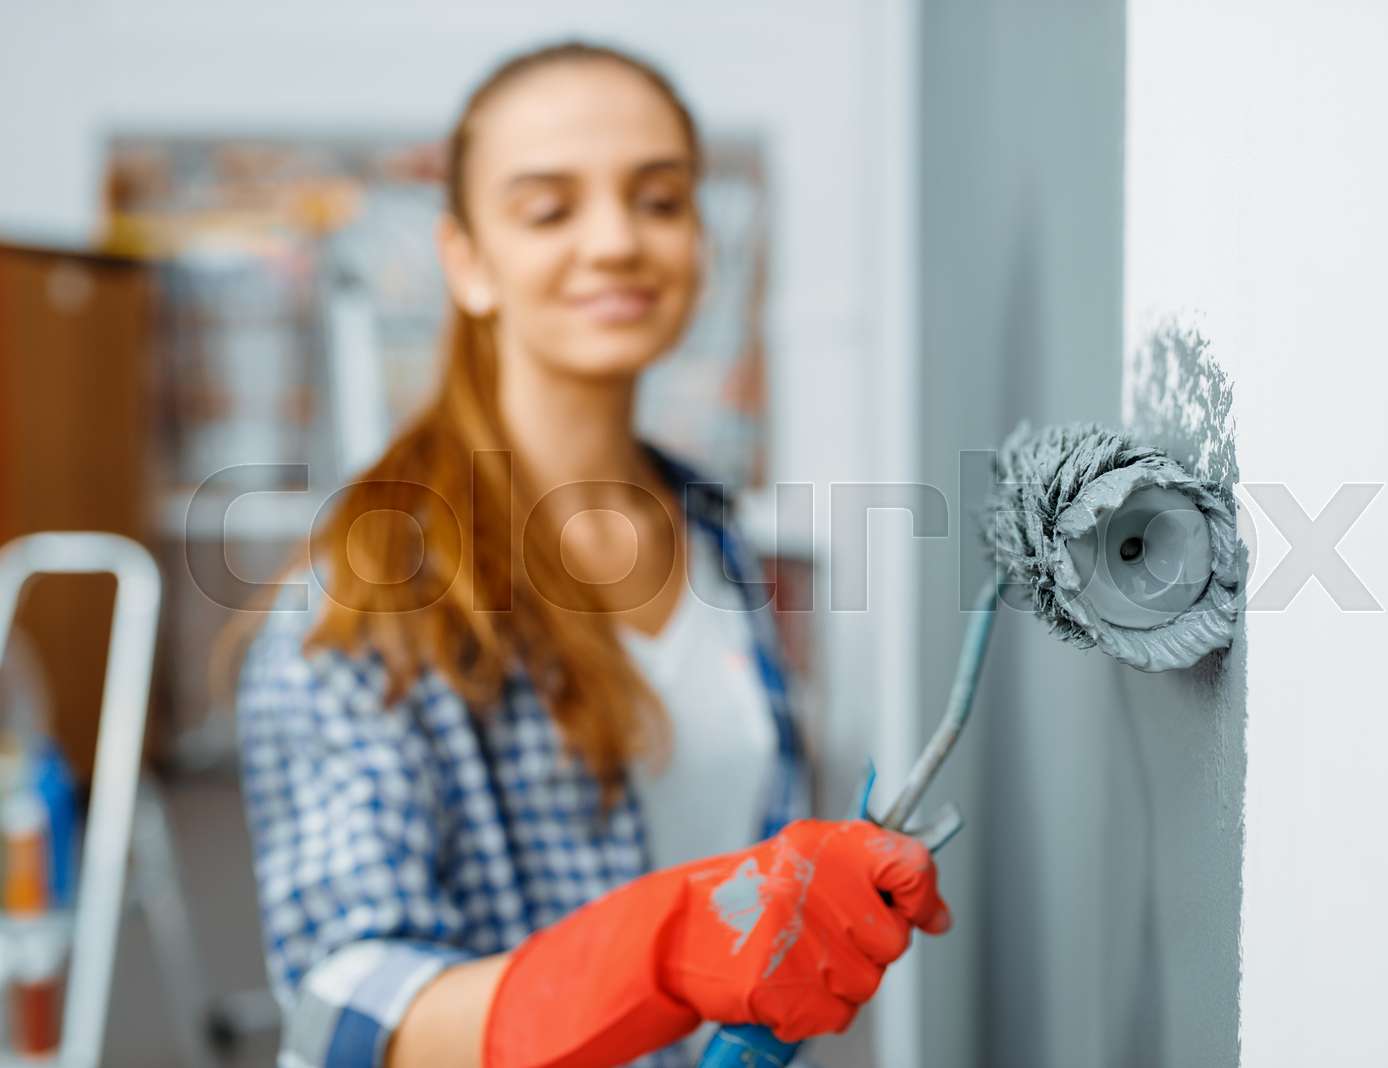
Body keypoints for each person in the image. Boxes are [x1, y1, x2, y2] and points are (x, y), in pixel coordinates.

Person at [235, 40, 951, 1068]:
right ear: (467, 261)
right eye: (549, 208)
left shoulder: (716, 542)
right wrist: (657, 955)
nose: (616, 241)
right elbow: (348, 1011)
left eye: (659, 200)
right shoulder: (362, 601)